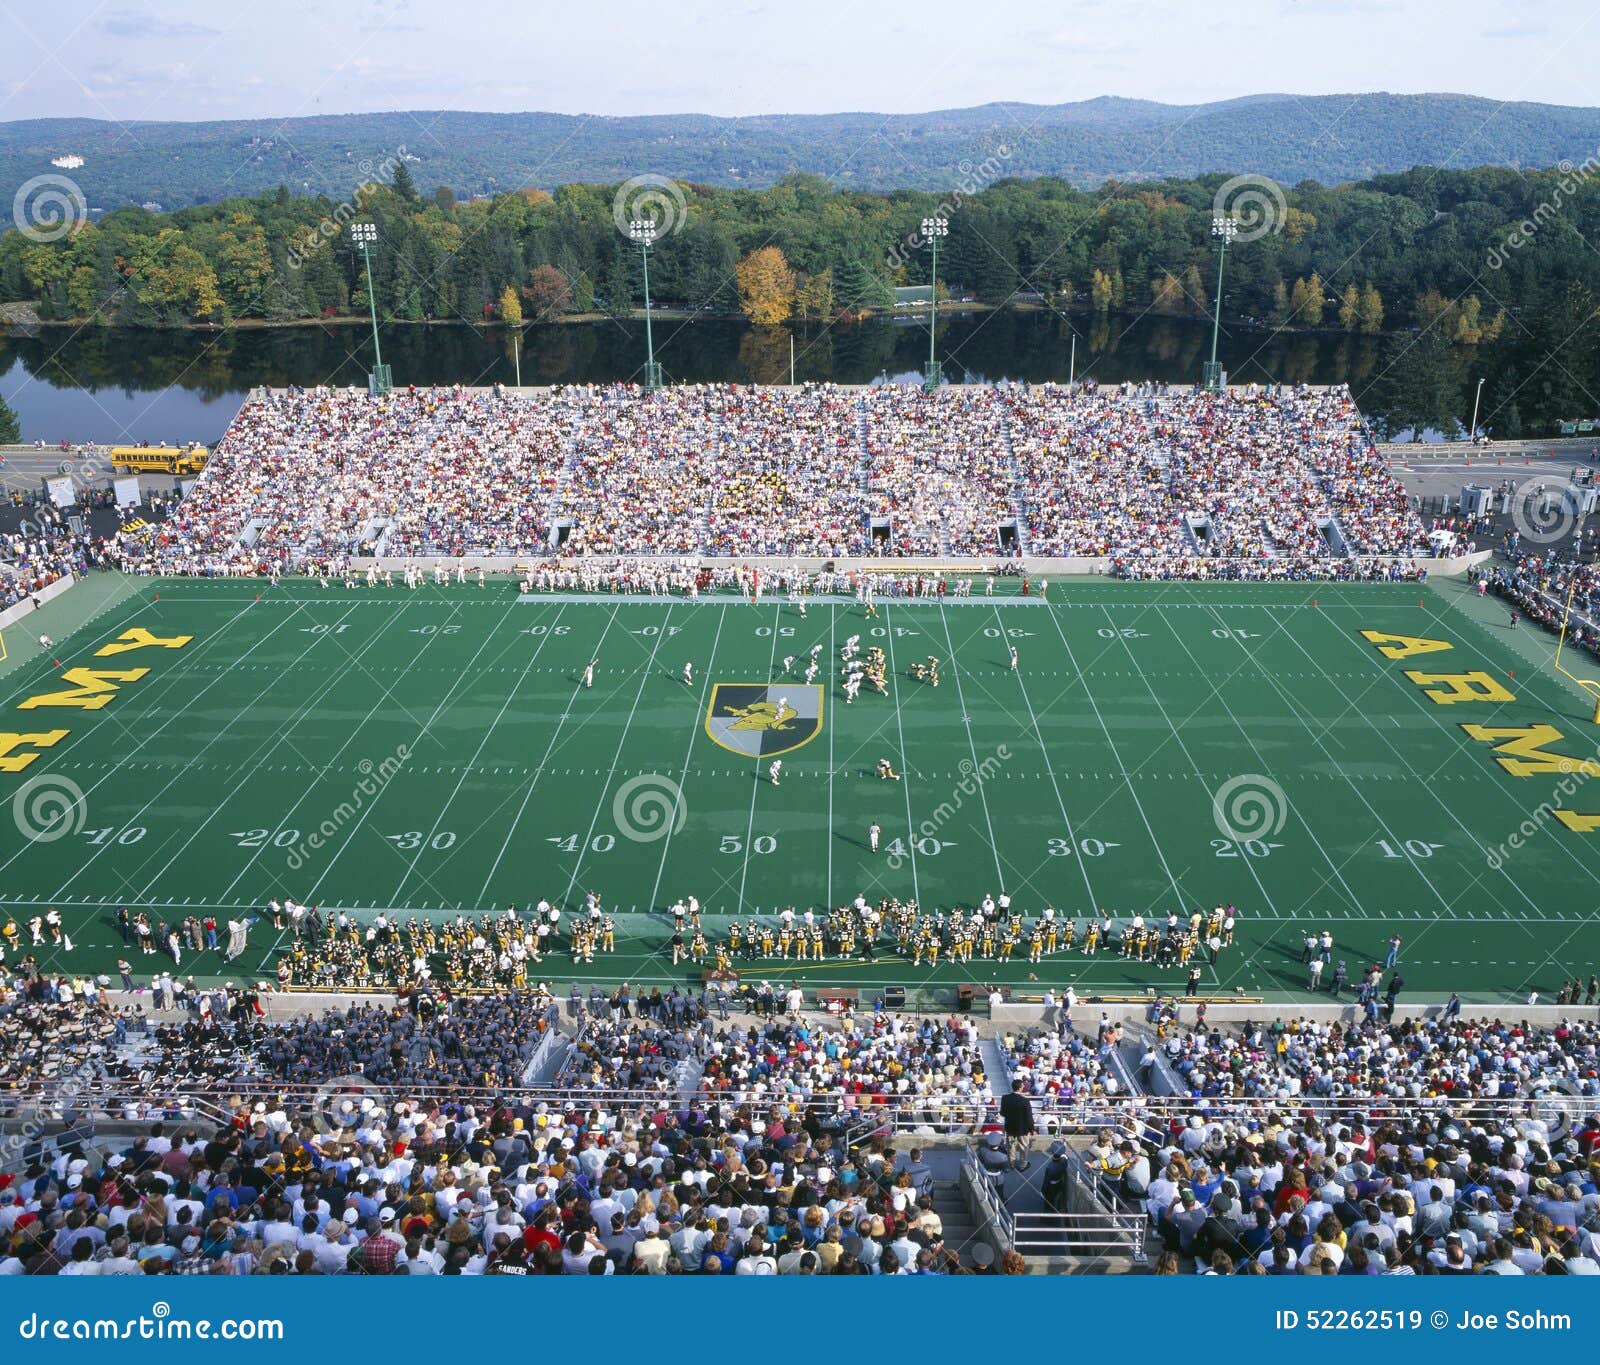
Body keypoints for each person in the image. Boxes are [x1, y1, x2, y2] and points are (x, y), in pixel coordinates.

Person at [999, 1078, 1036, 1170]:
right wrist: (1032, 1129)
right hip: (1022, 1128)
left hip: (1010, 1127)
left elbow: (1002, 1113)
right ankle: (1022, 1164)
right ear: (1020, 1088)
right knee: (1024, 1146)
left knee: (1010, 1146)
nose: (1023, 1087)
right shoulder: (1025, 1101)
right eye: (1023, 1086)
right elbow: (1028, 1117)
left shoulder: (1005, 1098)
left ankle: (1011, 1164)